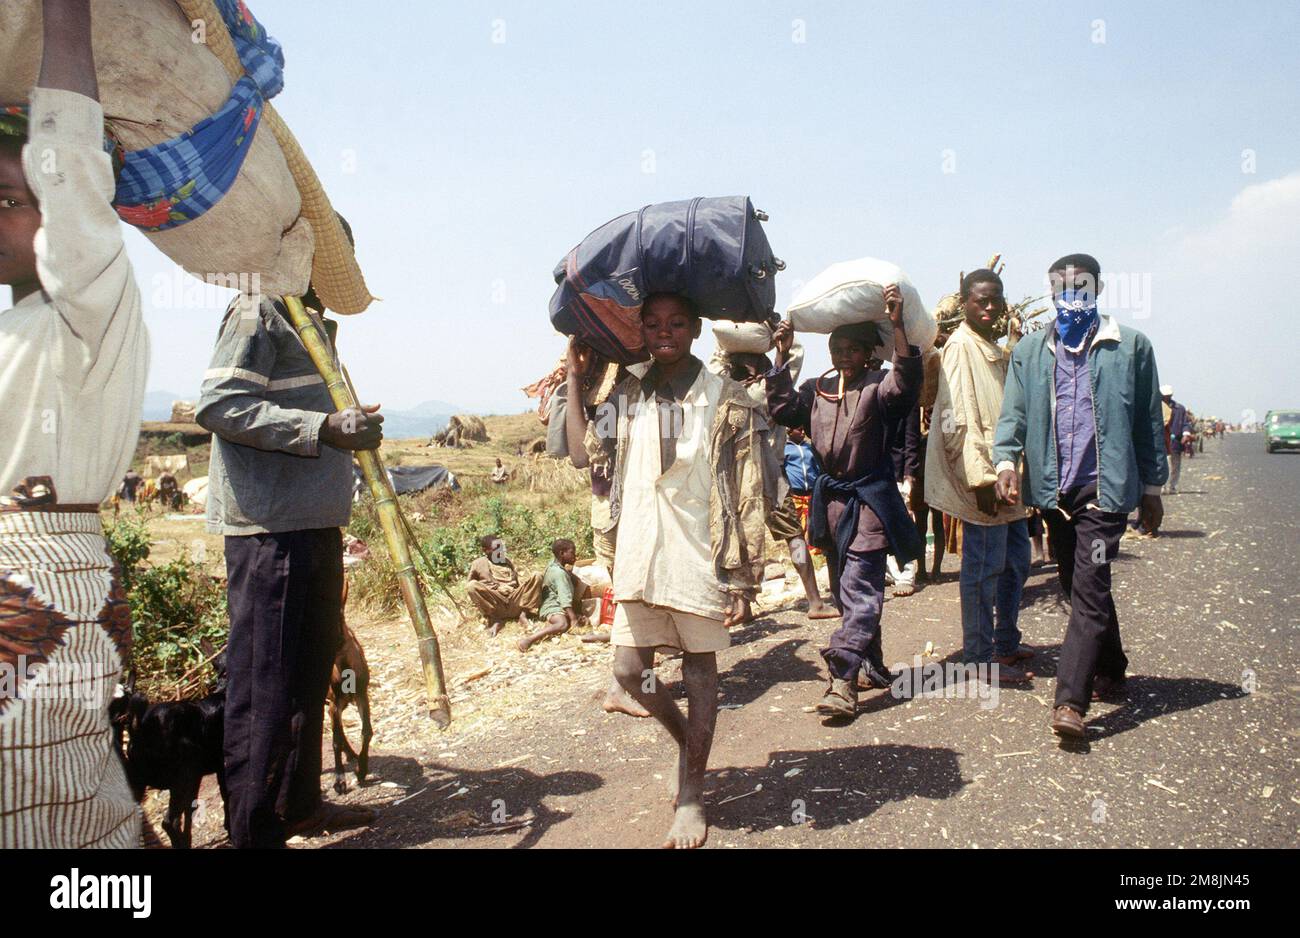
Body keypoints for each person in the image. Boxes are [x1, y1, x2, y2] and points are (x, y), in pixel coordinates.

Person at [0, 0, 148, 848]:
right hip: (41, 606)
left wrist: (65, 23)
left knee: (53, 816)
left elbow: (71, 181)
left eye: (12, 199)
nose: (1, 216)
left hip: (35, 599)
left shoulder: (89, 308)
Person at [565, 292, 769, 849]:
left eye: (676, 323)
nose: (664, 332)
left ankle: (693, 795)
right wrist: (574, 378)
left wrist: (742, 575)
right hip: (640, 547)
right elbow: (584, 456)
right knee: (631, 672)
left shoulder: (729, 400)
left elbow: (751, 490)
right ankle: (687, 743)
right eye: (652, 323)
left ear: (696, 328)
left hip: (700, 550)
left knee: (700, 671)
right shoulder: (628, 392)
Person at [196, 247, 380, 846]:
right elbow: (220, 405)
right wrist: (322, 428)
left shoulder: (317, 326)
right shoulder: (257, 309)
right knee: (263, 684)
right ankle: (253, 832)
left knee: (307, 675)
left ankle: (299, 804)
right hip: (267, 528)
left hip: (316, 523)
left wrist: (346, 424)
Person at [993, 253, 1168, 739]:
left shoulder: (1130, 347)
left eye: (1081, 286)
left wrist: (1152, 489)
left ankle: (1071, 701)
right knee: (1075, 586)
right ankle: (1112, 665)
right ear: (1051, 292)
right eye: (1062, 288)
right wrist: (1005, 462)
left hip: (1104, 492)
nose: (1072, 295)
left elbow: (1148, 424)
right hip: (1054, 491)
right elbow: (1013, 416)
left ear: (1099, 288)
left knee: (1088, 591)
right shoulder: (1030, 351)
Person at [767, 286, 925, 720]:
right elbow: (782, 409)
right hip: (832, 503)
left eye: (853, 349)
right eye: (837, 348)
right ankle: (870, 663)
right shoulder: (816, 389)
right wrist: (781, 355)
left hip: (870, 502)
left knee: (862, 590)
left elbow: (907, 383)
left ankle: (842, 680)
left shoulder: (880, 387)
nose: (843, 355)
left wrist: (896, 324)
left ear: (870, 354)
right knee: (844, 591)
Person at [925, 270, 1034, 683]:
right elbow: (956, 419)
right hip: (984, 479)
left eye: (996, 300)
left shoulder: (990, 347)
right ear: (965, 303)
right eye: (980, 301)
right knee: (982, 570)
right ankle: (977, 657)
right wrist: (979, 478)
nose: (990, 308)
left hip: (1007, 477)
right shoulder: (959, 349)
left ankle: (1005, 643)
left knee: (1015, 564)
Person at [708, 338, 838, 620]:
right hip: (770, 476)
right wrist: (779, 347)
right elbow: (792, 361)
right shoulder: (769, 390)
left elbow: (716, 364)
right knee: (792, 536)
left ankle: (742, 604)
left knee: (738, 539)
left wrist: (728, 347)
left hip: (737, 477)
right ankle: (814, 601)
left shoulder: (725, 390)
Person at [466, 534, 543, 636]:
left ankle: (523, 615)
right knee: (471, 586)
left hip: (514, 603)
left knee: (537, 575)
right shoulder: (478, 564)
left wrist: (511, 589)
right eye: (496, 549)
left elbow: (518, 586)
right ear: (485, 550)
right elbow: (472, 588)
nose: (500, 552)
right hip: (496, 604)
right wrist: (496, 588)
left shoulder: (507, 562)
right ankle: (495, 620)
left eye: (501, 548)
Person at [518, 538, 585, 652]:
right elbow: (564, 600)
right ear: (562, 553)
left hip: (552, 603)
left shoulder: (554, 565)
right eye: (572, 552)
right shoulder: (559, 573)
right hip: (552, 607)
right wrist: (573, 619)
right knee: (562, 624)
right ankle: (529, 640)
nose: (575, 555)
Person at [1161, 386, 1191, 494]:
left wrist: (1186, 434)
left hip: (1176, 442)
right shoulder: (1156, 407)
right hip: (1163, 441)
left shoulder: (1179, 408)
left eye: (1168, 396)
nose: (1167, 398)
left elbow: (1185, 423)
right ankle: (1163, 486)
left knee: (1175, 465)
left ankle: (1172, 486)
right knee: (1165, 464)